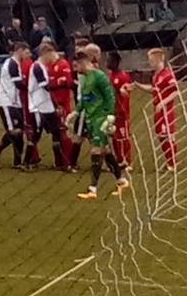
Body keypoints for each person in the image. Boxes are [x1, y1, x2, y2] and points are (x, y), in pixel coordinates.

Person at [74, 46, 130, 199]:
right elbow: (88, 98)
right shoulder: (85, 78)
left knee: (96, 151)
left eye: (76, 65)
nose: (75, 68)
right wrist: (76, 112)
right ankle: (121, 180)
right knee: (105, 151)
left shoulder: (99, 76)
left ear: (83, 62)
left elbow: (110, 96)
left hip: (101, 118)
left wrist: (110, 116)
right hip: (91, 119)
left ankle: (92, 189)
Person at [135, 48, 178, 170]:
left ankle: (173, 163)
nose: (149, 63)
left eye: (151, 60)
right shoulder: (155, 76)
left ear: (158, 60)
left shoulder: (168, 74)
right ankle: (170, 161)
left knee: (168, 135)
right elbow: (153, 90)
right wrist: (137, 85)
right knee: (161, 136)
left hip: (166, 110)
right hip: (157, 110)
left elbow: (176, 91)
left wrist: (163, 103)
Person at [25, 43, 66, 170]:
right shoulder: (37, 67)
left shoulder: (43, 67)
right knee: (36, 134)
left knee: (56, 131)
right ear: (45, 54)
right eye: (51, 53)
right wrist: (60, 84)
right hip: (38, 106)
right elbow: (46, 86)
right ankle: (26, 162)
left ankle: (59, 162)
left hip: (46, 105)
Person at [0, 42, 29, 169]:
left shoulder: (15, 64)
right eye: (25, 52)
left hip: (14, 102)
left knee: (19, 131)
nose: (26, 55)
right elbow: (18, 84)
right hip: (7, 102)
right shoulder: (12, 63)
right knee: (14, 131)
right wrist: (32, 87)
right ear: (19, 50)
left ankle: (16, 161)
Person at [107, 52, 133, 170]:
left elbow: (126, 93)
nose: (107, 63)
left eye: (109, 60)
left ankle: (127, 161)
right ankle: (119, 159)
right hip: (112, 111)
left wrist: (117, 91)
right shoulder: (110, 75)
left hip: (122, 112)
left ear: (116, 62)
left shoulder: (123, 76)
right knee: (114, 137)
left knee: (124, 137)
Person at [49, 48, 75, 166]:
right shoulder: (49, 65)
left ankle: (67, 160)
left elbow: (68, 81)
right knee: (56, 133)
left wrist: (56, 83)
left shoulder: (63, 64)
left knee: (64, 131)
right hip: (52, 104)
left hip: (62, 104)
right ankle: (58, 161)